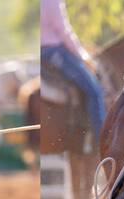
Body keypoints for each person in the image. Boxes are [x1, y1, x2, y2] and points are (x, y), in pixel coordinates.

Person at [41, 0, 105, 145]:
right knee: (94, 90)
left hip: (42, 52)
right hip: (55, 50)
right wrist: (82, 55)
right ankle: (101, 140)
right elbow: (64, 31)